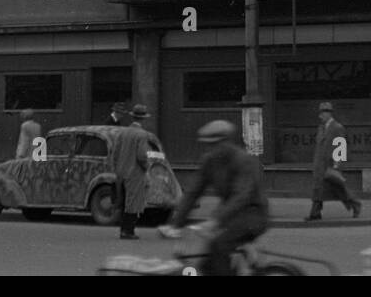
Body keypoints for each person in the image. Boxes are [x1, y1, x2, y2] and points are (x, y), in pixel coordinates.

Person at [162, 120, 269, 277]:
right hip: (229, 216)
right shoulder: (209, 161)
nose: (210, 149)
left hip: (253, 215)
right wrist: (176, 223)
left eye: (215, 144)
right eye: (208, 145)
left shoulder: (244, 161)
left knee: (219, 245)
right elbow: (193, 192)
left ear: (227, 142)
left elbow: (241, 195)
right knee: (208, 263)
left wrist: (215, 221)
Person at [306, 101, 360, 221]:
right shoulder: (321, 128)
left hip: (330, 165)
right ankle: (315, 213)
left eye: (323, 113)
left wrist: (336, 166)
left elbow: (340, 148)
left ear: (329, 114)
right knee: (318, 189)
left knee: (339, 189)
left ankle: (355, 204)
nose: (320, 116)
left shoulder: (337, 127)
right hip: (320, 165)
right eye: (320, 113)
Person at [111, 104, 152, 240]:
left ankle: (123, 229)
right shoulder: (142, 134)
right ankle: (128, 231)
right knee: (133, 202)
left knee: (123, 201)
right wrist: (148, 167)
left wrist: (116, 168)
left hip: (121, 172)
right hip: (134, 172)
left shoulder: (122, 132)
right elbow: (141, 156)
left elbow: (115, 152)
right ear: (143, 119)